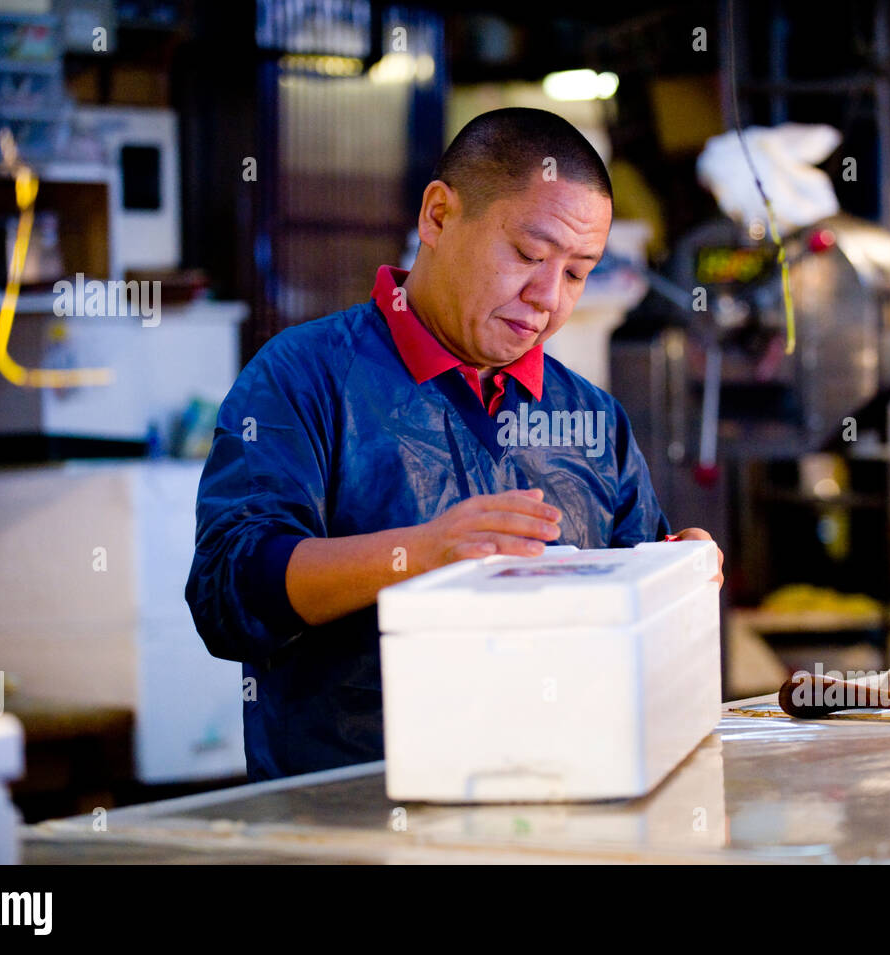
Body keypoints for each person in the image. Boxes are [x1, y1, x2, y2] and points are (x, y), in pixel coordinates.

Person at [186, 107, 723, 781]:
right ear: (438, 217)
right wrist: (422, 552)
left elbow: (634, 613)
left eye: (578, 272)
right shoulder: (304, 376)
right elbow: (229, 591)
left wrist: (675, 577)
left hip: (560, 803)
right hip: (347, 820)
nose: (548, 297)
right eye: (529, 254)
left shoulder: (592, 417)